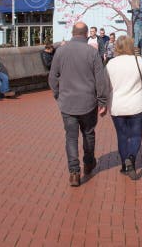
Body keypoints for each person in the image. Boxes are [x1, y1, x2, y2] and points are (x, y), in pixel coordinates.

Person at [49, 22, 110, 187]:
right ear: (85, 34)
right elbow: (100, 80)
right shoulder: (92, 52)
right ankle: (88, 162)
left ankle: (74, 172)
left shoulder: (61, 51)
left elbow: (53, 78)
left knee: (71, 137)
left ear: (72, 33)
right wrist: (102, 101)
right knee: (89, 133)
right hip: (88, 102)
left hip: (67, 102)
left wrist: (58, 95)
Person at [105, 35, 142, 180]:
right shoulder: (139, 61)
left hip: (117, 105)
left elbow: (106, 86)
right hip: (136, 105)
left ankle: (124, 164)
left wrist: (105, 103)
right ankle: (131, 158)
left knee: (122, 135)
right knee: (136, 134)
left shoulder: (110, 64)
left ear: (117, 47)